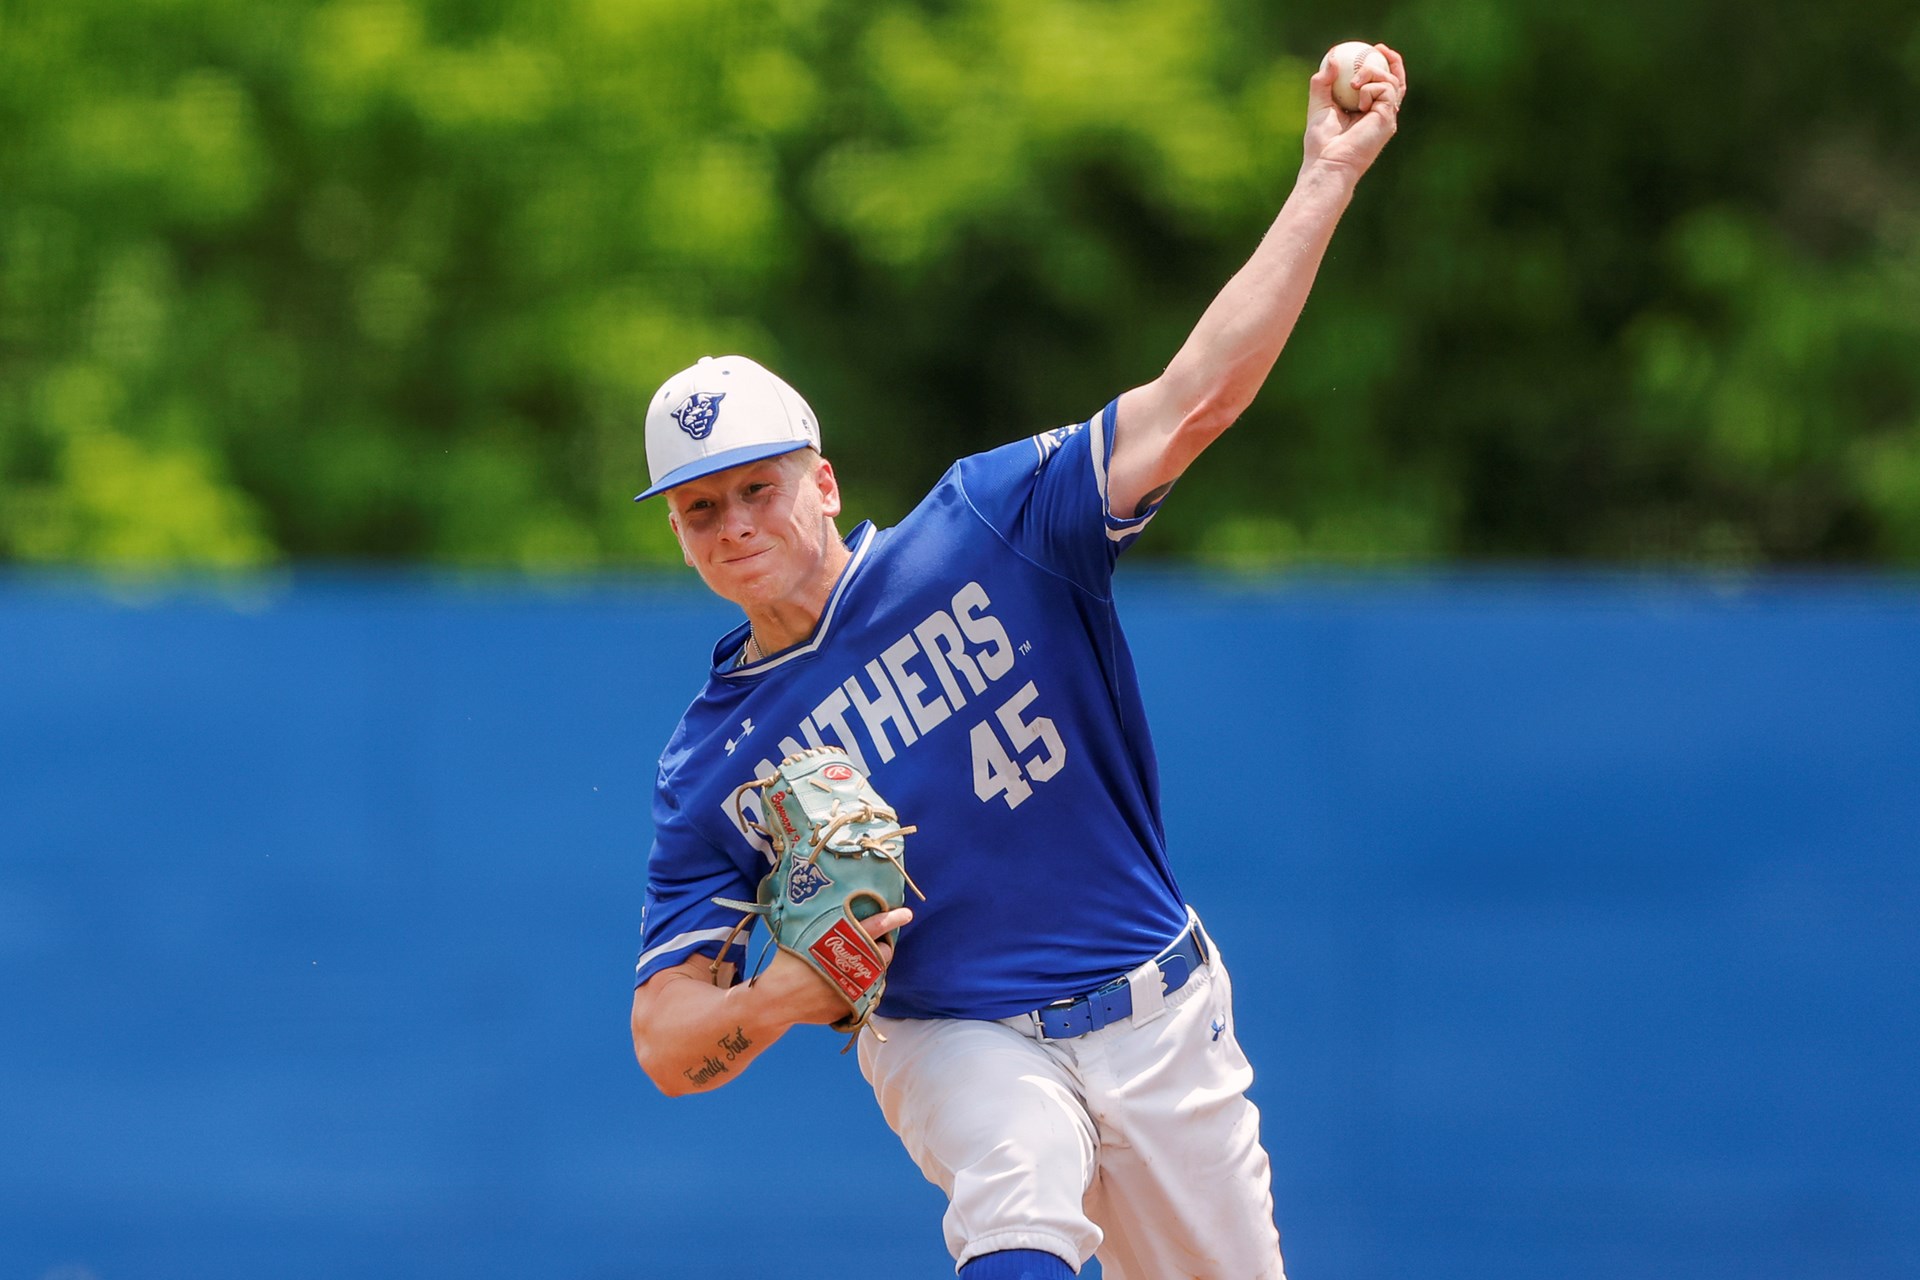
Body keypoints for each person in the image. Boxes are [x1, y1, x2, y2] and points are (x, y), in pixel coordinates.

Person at [629, 46, 1406, 1280]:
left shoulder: (989, 526)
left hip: (1158, 1015)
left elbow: (1193, 401)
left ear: (823, 481)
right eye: (698, 508)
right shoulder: (717, 753)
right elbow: (666, 1040)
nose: (733, 528)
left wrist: (1322, 177)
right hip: (951, 1030)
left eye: (757, 491)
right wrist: (786, 991)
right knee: (1019, 1176)